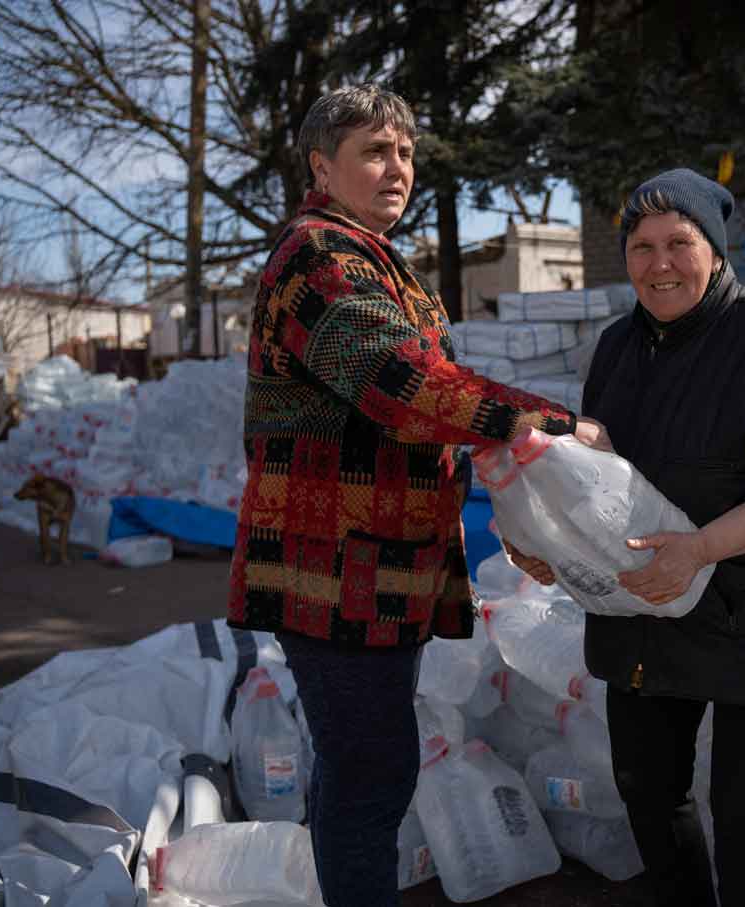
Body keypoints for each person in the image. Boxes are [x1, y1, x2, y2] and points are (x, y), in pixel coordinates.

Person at [226, 84, 606, 907]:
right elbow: (406, 386)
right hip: (332, 570)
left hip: (370, 570)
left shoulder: (372, 256)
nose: (397, 168)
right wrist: (551, 422)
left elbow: (421, 403)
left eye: (404, 152)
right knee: (372, 772)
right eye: (374, 151)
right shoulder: (320, 255)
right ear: (323, 166)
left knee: (361, 765)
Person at [505, 168, 745, 907]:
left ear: (715, 249)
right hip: (651, 611)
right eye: (641, 245)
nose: (658, 263)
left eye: (678, 242)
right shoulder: (616, 347)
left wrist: (699, 549)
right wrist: (547, 531)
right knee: (649, 795)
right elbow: (611, 475)